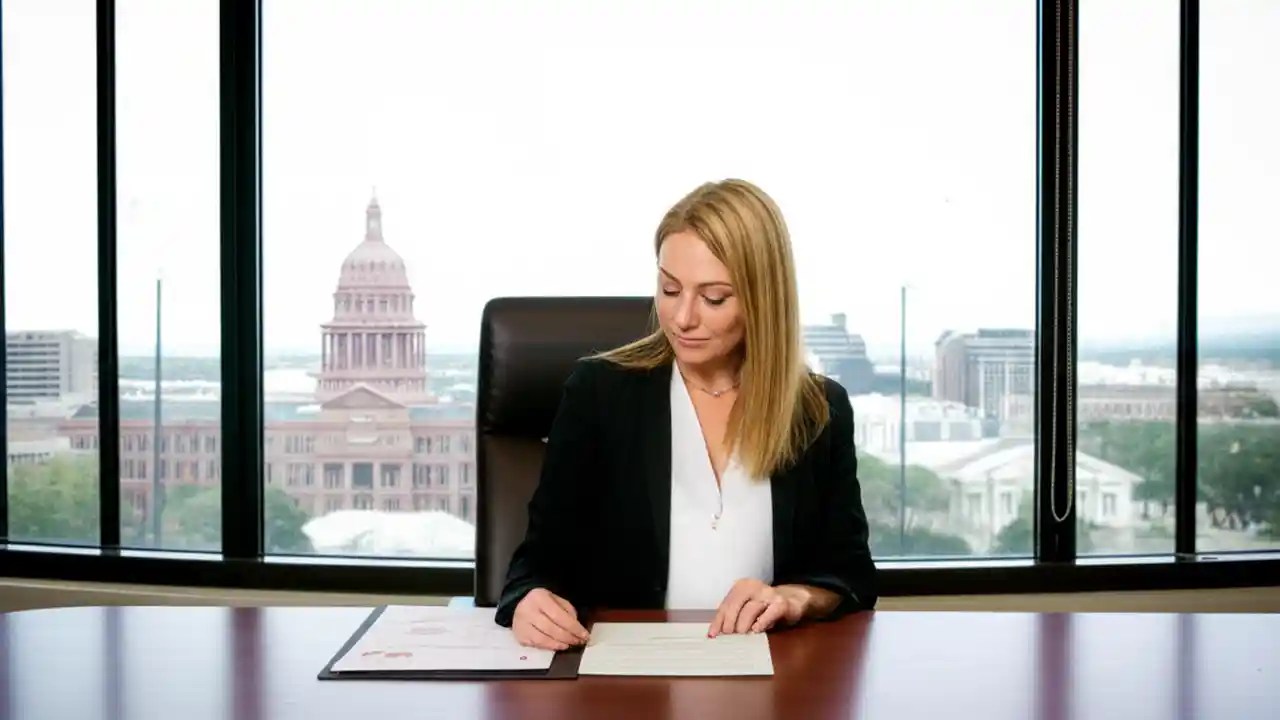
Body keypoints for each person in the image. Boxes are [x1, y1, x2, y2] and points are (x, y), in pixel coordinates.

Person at [494, 178, 876, 651]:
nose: (682, 317)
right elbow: (535, 565)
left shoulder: (819, 411)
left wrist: (796, 597)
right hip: (626, 682)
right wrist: (529, 600)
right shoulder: (600, 394)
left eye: (714, 298)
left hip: (768, 683)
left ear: (763, 300)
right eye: (670, 288)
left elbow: (851, 573)